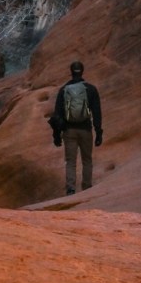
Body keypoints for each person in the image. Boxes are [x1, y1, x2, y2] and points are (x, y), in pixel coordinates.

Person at [49, 61, 103, 195]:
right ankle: (87, 188)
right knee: (87, 160)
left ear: (71, 72)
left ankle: (71, 189)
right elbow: (97, 112)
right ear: (82, 71)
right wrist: (98, 132)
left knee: (70, 161)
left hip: (69, 131)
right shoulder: (91, 89)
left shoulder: (64, 90)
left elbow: (57, 115)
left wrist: (56, 136)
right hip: (86, 130)